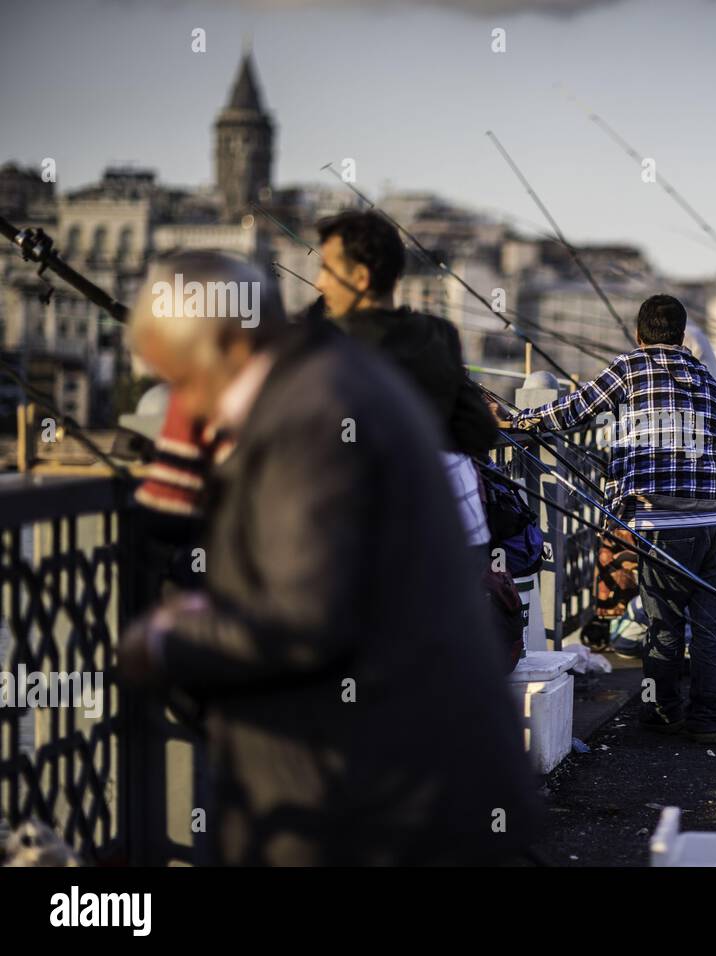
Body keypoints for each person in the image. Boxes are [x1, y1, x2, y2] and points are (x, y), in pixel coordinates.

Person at [119, 252, 540, 865]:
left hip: (380, 805)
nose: (185, 406)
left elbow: (303, 618)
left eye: (181, 379)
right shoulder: (333, 376)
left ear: (226, 342)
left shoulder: (311, 414)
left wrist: (163, 642)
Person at [506, 295, 716, 743]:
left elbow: (573, 409)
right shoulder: (709, 381)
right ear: (680, 335)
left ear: (639, 335)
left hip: (663, 522)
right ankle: (708, 721)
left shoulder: (631, 367)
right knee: (711, 627)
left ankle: (662, 714)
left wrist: (520, 421)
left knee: (665, 624)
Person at [312, 210, 497, 564]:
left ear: (361, 278)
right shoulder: (438, 335)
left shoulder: (327, 347)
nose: (319, 282)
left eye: (327, 269)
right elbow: (478, 432)